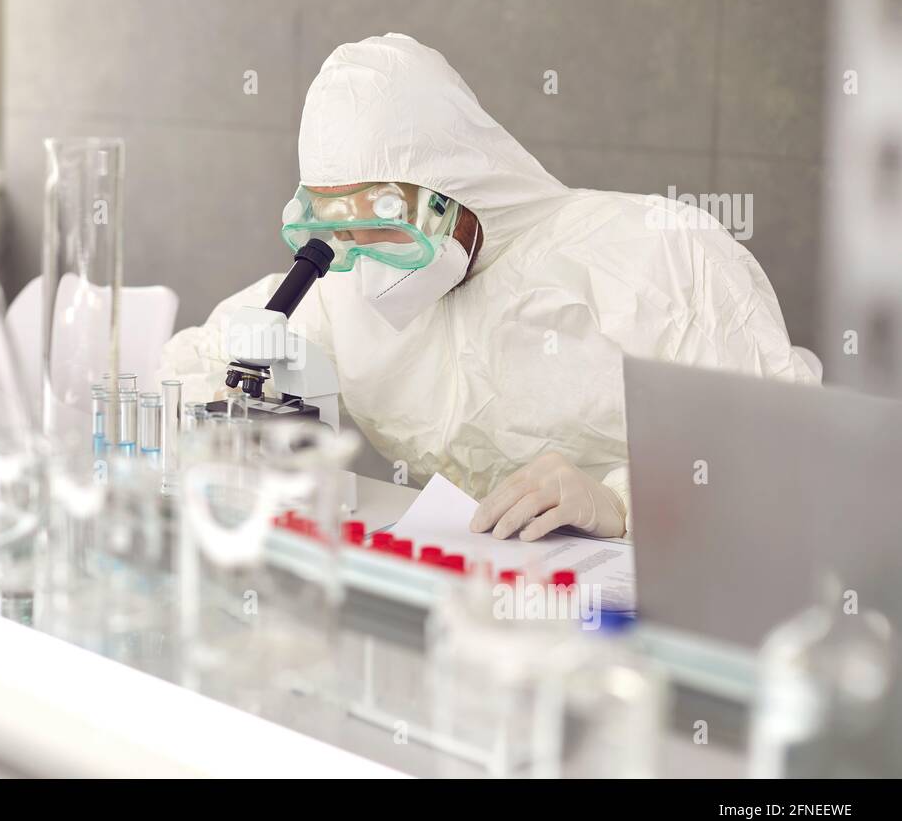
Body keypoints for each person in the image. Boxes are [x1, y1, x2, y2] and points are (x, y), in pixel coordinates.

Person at [159, 33, 816, 541]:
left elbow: (780, 452)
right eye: (342, 227)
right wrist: (213, 410)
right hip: (474, 596)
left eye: (386, 221)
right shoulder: (341, 292)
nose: (365, 257)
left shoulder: (656, 256)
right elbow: (204, 361)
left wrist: (619, 502)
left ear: (456, 183)